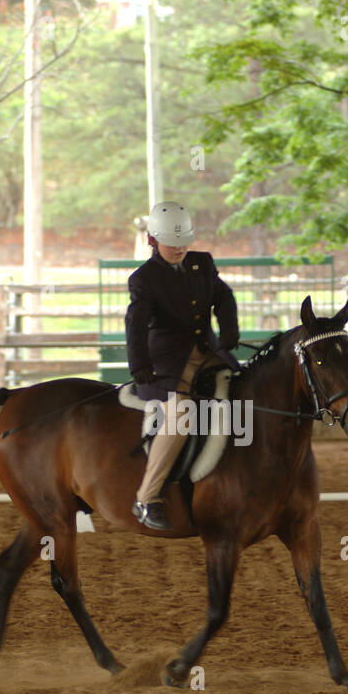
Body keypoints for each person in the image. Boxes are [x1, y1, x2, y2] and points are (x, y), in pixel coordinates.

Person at [126, 201, 240, 531]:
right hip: (166, 363)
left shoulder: (201, 263)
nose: (179, 248)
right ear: (152, 240)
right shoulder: (144, 279)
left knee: (248, 390)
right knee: (182, 414)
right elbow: (135, 325)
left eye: (184, 242)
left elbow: (223, 296)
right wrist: (140, 366)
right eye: (171, 243)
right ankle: (147, 499)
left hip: (208, 352)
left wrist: (229, 328)